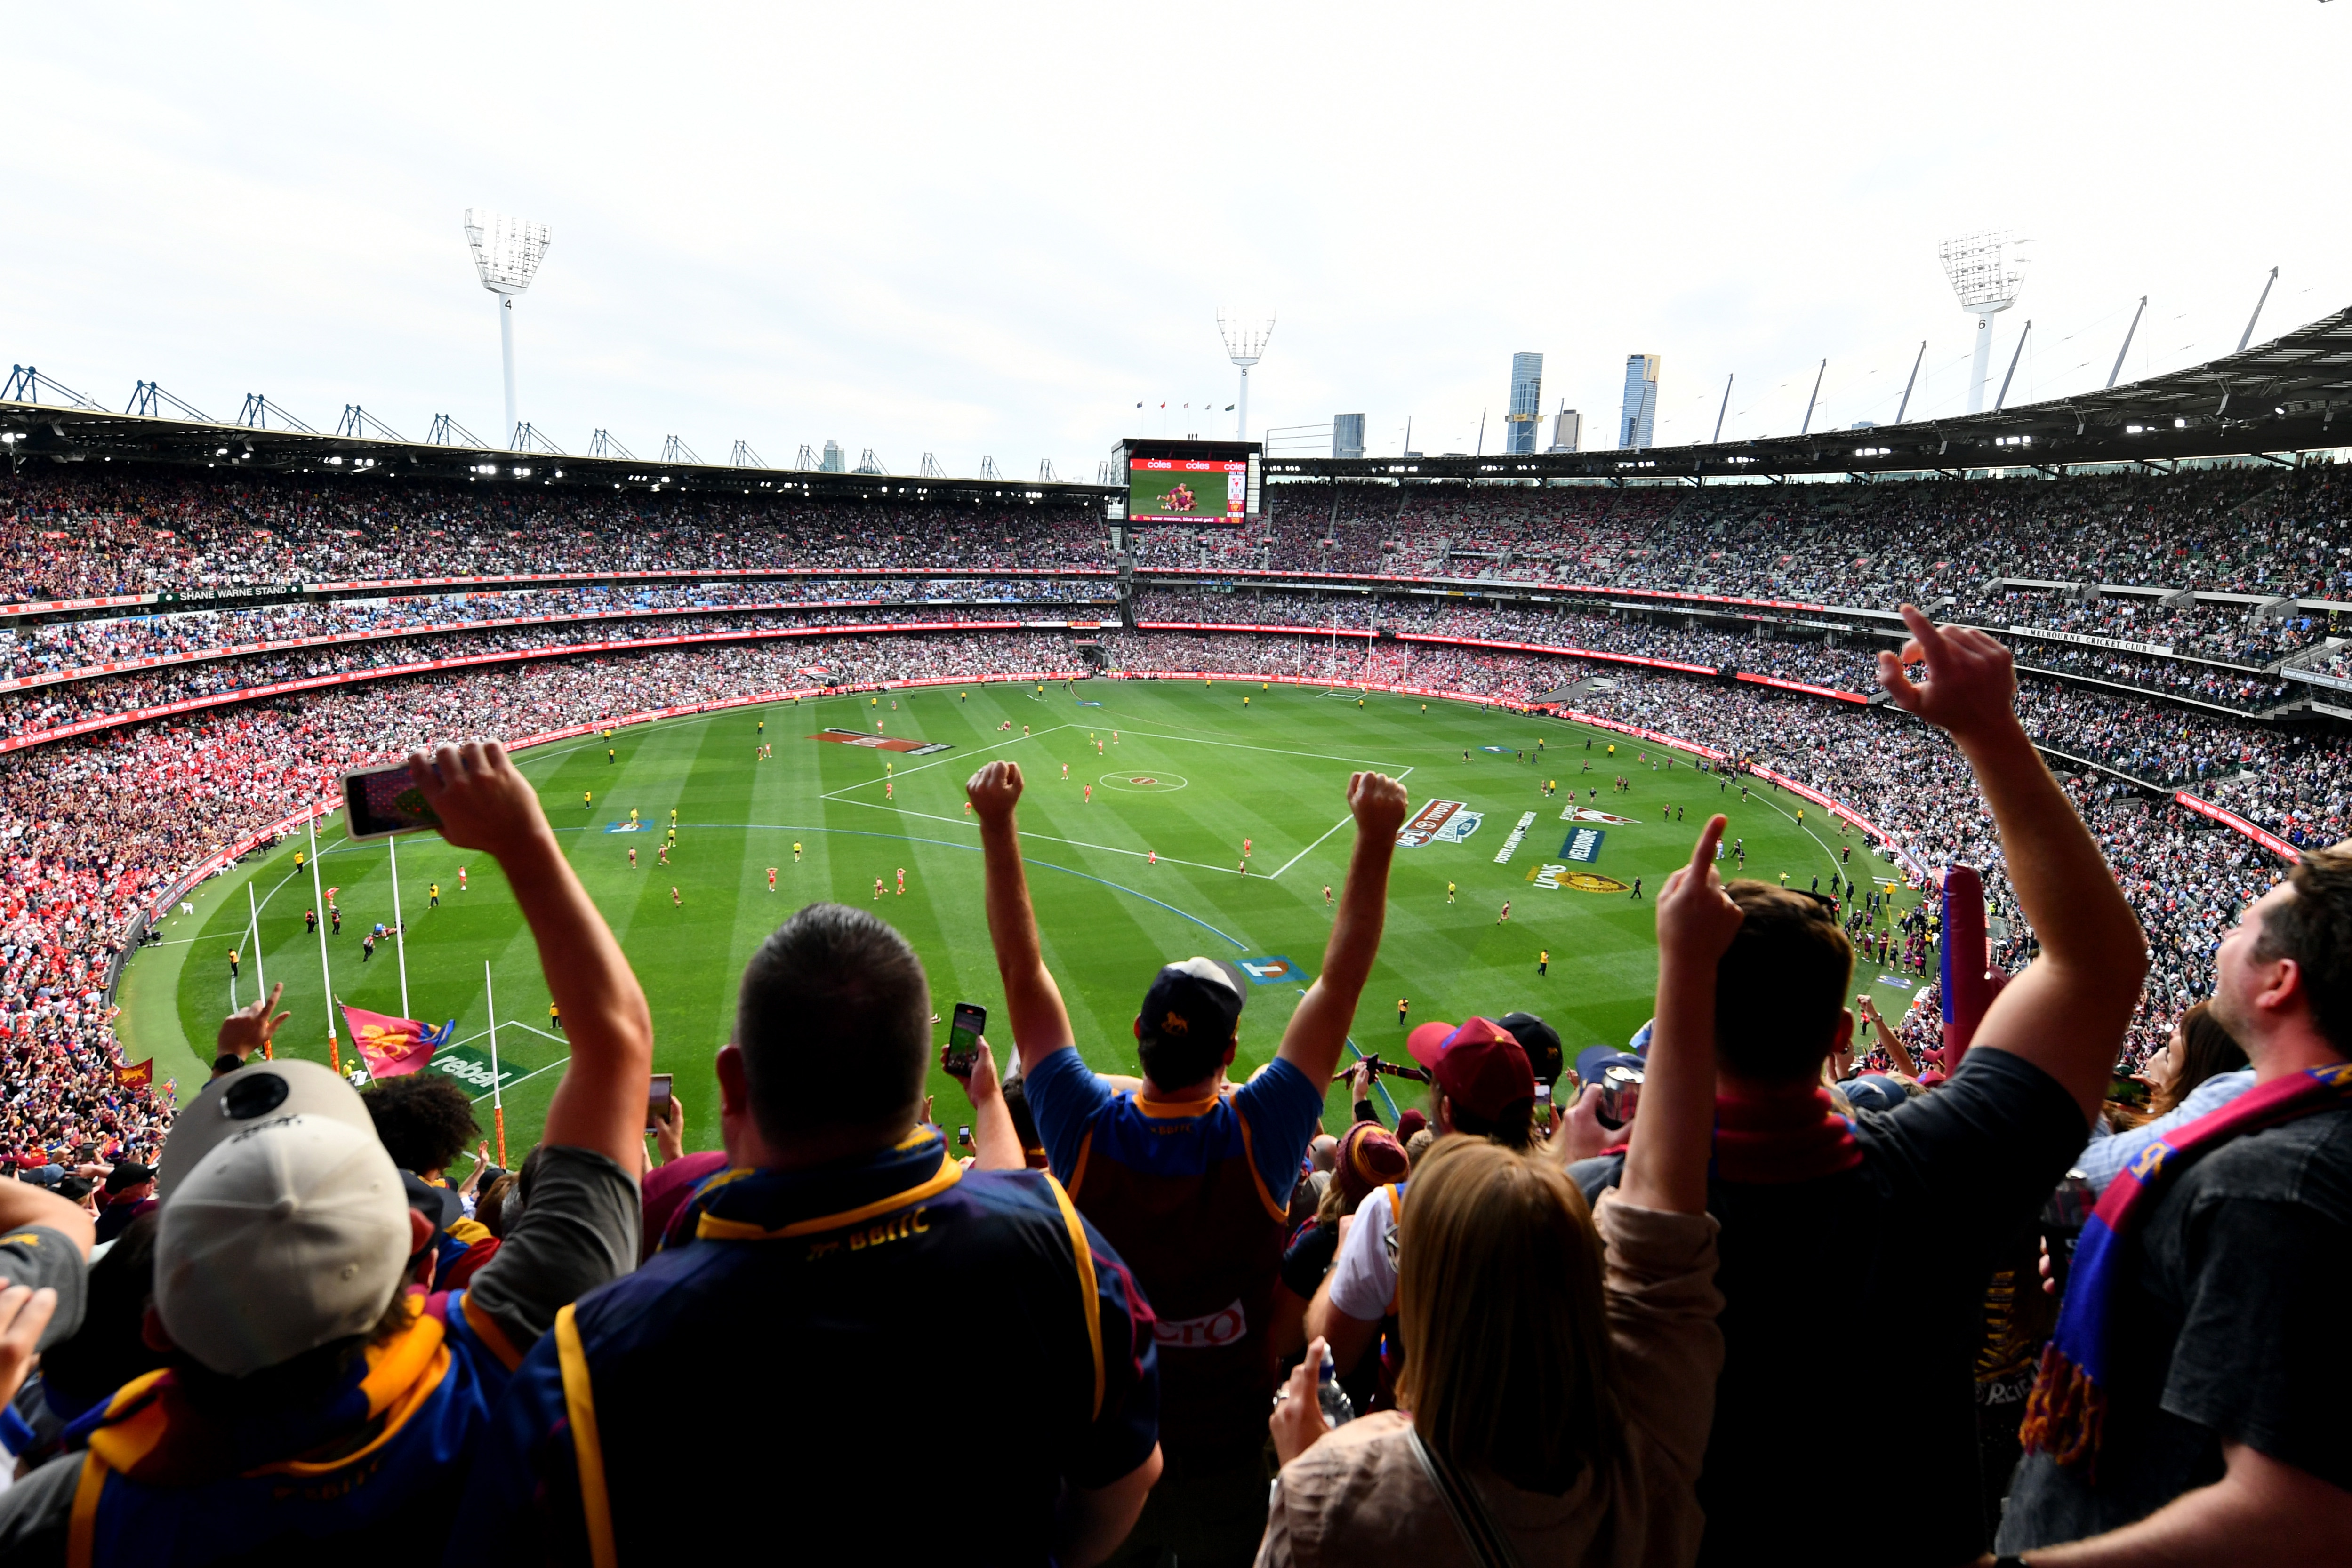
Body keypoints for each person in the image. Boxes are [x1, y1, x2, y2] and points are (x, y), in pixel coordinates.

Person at [1569, 607, 2150, 1568]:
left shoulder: (1594, 1214)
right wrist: (1989, 733)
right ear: (1839, 1035)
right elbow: (2094, 966)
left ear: (1679, 1030)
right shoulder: (1939, 1164)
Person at [0, 738, 652, 1564]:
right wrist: (521, 839)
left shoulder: (69, 1515)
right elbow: (618, 1042)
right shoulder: (507, 1353)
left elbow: (612, 1046)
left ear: (160, 1324)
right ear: (416, 1241)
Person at [455, 902, 1163, 1563]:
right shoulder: (1059, 1244)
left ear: (732, 1083)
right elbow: (1127, 1476)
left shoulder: (591, 1357)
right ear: (915, 1076)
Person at [969, 757, 1408, 1568]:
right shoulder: (1258, 1132)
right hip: (1226, 1459)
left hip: (1112, 1460)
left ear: (1138, 1035)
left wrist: (998, 826)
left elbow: (1022, 974)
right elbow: (1339, 984)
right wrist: (1376, 838)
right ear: (1231, 1052)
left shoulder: (1083, 1127)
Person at [1262, 820, 1731, 1567]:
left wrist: (1308, 1466)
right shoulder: (1647, 1469)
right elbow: (1663, 1250)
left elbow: (1326, 1346)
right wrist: (1690, 963)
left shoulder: (1342, 1503)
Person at [1999, 844, 2352, 1562]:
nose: (2223, 936)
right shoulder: (2293, 1137)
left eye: (2244, 924)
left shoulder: (2270, 1185)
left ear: (2279, 981)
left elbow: (2294, 1517)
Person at [2072, 1001, 2252, 1195]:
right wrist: (2162, 1105)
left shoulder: (2205, 1116)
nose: (2172, 1033)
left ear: (2203, 1056)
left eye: (2183, 1032)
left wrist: (2083, 1091)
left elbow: (2084, 1174)